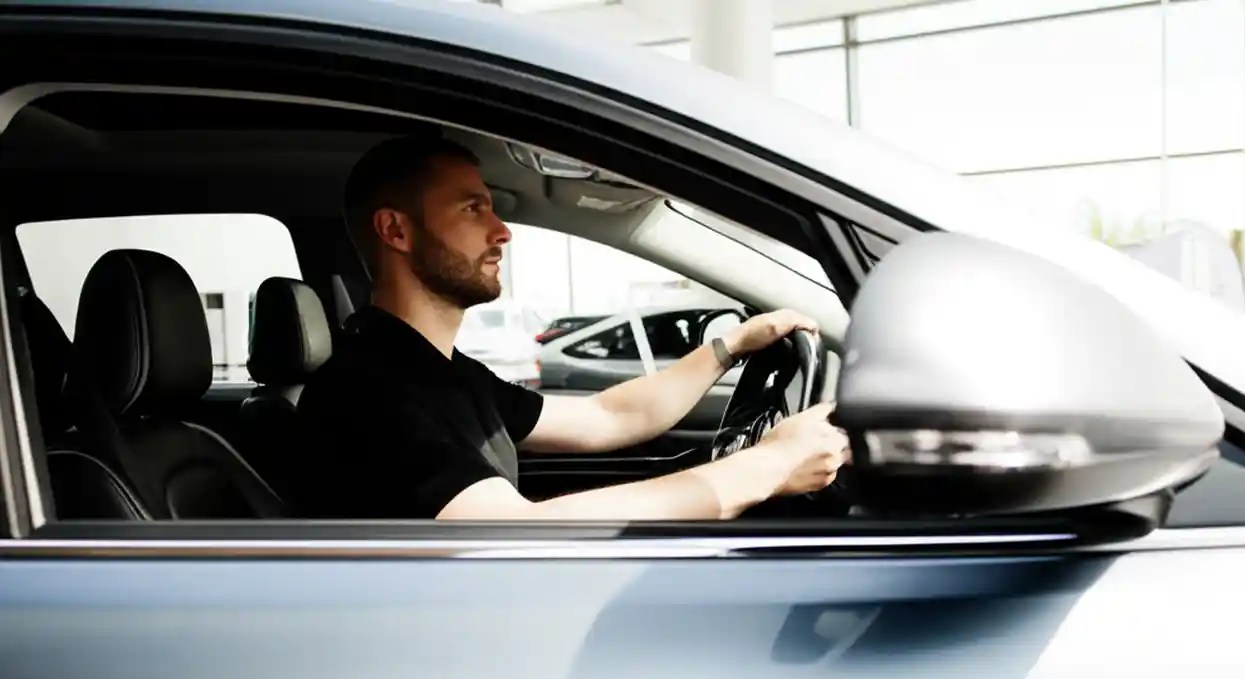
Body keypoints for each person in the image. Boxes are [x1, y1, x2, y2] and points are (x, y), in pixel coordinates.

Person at [296, 136, 851, 520]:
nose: (502, 231)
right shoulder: (367, 390)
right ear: (396, 229)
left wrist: (729, 348)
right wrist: (770, 464)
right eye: (473, 210)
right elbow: (510, 533)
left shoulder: (438, 371)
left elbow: (608, 417)